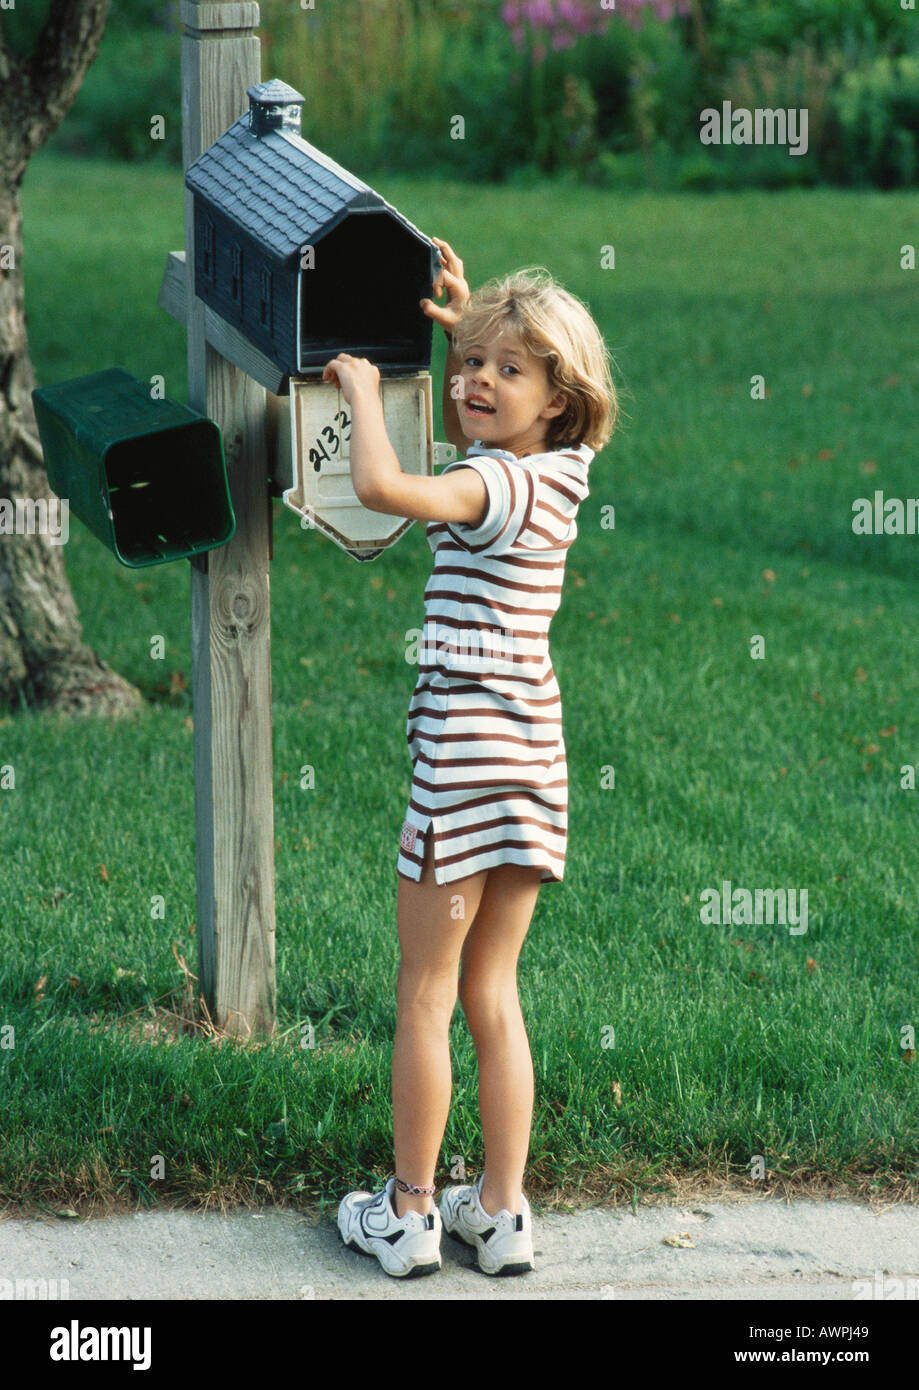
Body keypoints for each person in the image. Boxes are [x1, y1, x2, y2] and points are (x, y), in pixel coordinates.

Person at [326, 238, 618, 1278]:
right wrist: (472, 325)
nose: (478, 382)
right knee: (492, 989)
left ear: (558, 397)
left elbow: (380, 485)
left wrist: (360, 389)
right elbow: (512, 391)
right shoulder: (563, 474)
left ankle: (407, 1211)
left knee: (424, 987)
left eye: (507, 369)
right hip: (533, 769)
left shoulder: (488, 483)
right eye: (472, 366)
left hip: (460, 767)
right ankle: (497, 1209)